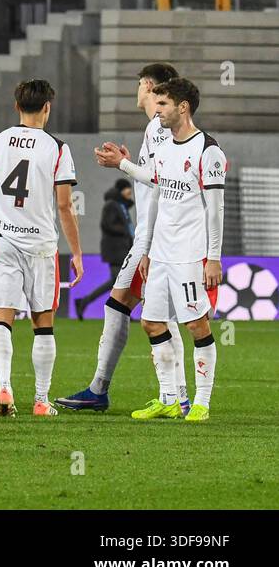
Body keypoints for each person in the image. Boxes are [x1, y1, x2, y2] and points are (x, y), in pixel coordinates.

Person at [56, 63, 189, 412]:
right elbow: (156, 180)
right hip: (155, 236)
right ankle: (171, 396)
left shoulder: (159, 127)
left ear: (147, 85)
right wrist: (132, 166)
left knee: (146, 312)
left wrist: (123, 166)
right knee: (140, 309)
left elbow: (162, 183)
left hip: (154, 238)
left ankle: (172, 396)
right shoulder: (157, 130)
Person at [0, 78, 82, 418]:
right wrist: (76, 252)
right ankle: (42, 400)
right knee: (43, 323)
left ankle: (4, 386)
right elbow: (65, 206)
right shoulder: (57, 148)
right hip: (42, 246)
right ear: (48, 107)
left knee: (2, 320)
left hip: (2, 242)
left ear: (16, 106)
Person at [115, 78, 223, 423]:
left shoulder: (208, 151)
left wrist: (214, 258)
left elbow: (215, 209)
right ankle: (170, 399)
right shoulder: (164, 149)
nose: (156, 110)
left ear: (183, 107)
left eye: (162, 104)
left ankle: (202, 402)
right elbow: (155, 194)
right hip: (160, 253)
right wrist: (146, 249)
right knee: (150, 322)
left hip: (190, 255)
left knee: (196, 326)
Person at [72, 178, 134, 319]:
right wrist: (126, 231)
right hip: (116, 250)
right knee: (119, 282)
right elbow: (107, 224)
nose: (130, 192)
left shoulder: (121, 205)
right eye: (127, 189)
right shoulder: (112, 205)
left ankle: (84, 302)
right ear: (121, 190)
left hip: (122, 249)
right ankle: (86, 302)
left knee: (118, 281)